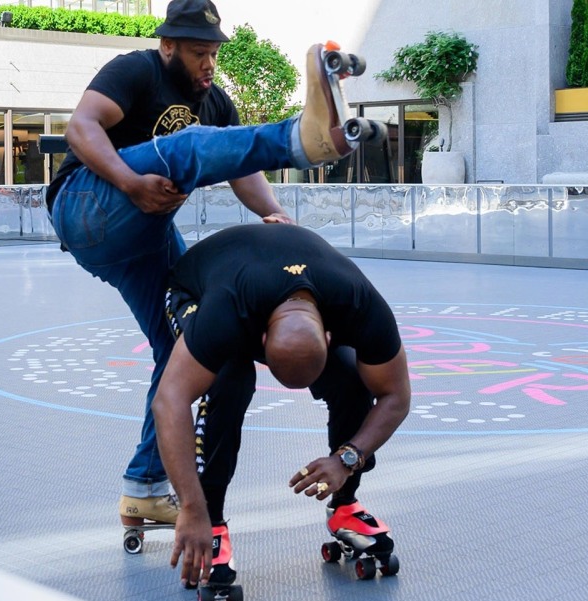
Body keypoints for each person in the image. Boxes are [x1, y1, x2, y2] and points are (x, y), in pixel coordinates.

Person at [46, 0, 370, 532]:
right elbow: (82, 128)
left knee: (186, 349)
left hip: (141, 237)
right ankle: (301, 139)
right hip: (87, 204)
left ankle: (144, 490)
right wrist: (129, 182)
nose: (208, 66)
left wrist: (274, 213)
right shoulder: (135, 70)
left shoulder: (214, 99)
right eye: (198, 53)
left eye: (214, 54)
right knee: (187, 147)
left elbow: (241, 169)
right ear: (168, 46)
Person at [152, 223, 411, 589]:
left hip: (277, 288)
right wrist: (192, 507)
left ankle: (344, 505)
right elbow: (169, 401)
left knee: (351, 377)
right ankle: (212, 520)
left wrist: (347, 458)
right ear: (259, 339)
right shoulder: (225, 310)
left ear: (329, 336)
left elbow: (396, 395)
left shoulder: (359, 302)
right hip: (195, 288)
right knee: (230, 380)